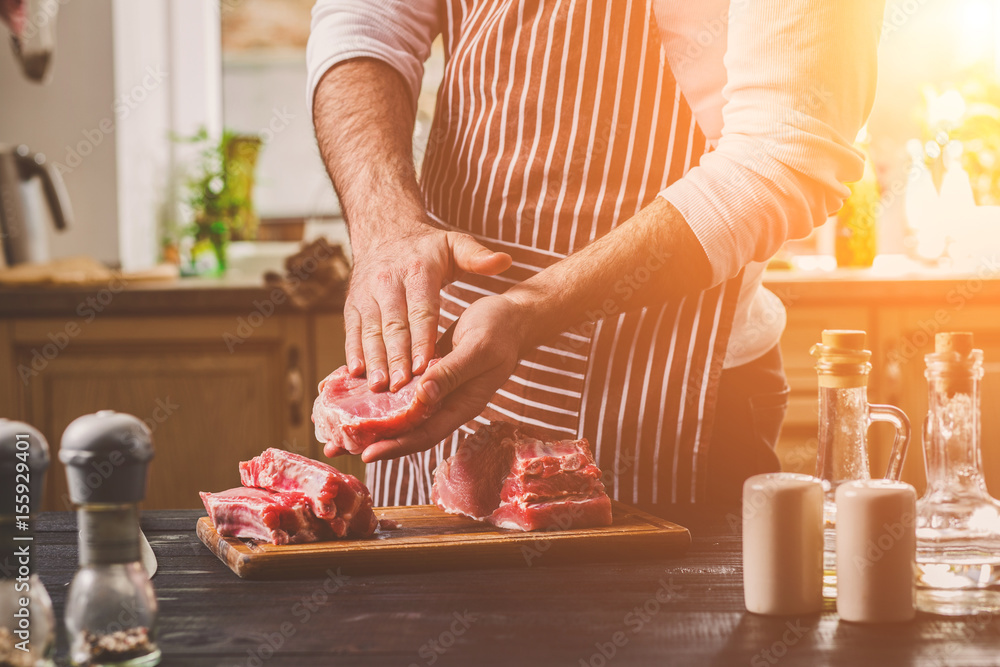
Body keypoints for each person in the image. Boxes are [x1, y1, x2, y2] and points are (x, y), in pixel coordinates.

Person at [308, 0, 884, 513]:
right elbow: (366, 21)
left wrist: (533, 310)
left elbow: (787, 149)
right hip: (439, 359)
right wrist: (386, 226)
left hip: (675, 381)